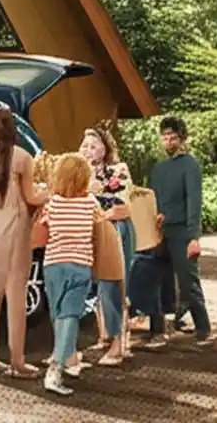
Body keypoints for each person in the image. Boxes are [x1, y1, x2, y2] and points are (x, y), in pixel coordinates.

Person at [0, 106, 48, 378]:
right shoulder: (23, 158)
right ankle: (17, 362)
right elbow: (32, 196)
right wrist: (48, 191)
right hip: (15, 233)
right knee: (16, 298)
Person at [148, 116, 217, 347]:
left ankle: (204, 329)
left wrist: (194, 237)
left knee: (188, 280)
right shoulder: (157, 169)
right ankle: (157, 331)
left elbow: (194, 202)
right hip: (159, 232)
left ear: (182, 139)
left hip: (182, 232)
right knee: (155, 282)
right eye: (165, 137)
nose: (168, 142)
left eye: (173, 137)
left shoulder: (190, 165)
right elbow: (151, 199)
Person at [36, 153, 99, 396]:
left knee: (57, 315)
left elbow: (43, 231)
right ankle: (57, 368)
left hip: (52, 266)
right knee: (70, 316)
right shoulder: (90, 203)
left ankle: (62, 358)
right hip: (79, 265)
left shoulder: (52, 204)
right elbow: (99, 228)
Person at [80, 127, 134, 366]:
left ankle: (118, 345)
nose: (87, 150)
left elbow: (123, 206)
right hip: (93, 231)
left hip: (115, 230)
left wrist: (102, 215)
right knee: (99, 287)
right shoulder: (78, 173)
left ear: (105, 148)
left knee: (113, 286)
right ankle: (107, 335)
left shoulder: (117, 170)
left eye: (93, 145)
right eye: (84, 145)